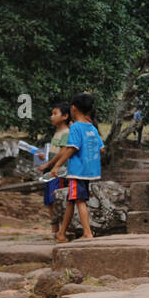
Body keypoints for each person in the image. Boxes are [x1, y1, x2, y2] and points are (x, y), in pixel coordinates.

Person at [51, 92, 103, 242]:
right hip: (89, 171)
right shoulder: (92, 128)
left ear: (73, 109)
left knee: (79, 200)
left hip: (77, 171)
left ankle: (87, 233)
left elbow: (71, 148)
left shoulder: (75, 128)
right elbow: (101, 148)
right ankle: (61, 233)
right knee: (71, 201)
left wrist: (57, 165)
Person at [36, 101, 73, 240]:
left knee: (57, 199)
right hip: (53, 171)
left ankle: (62, 229)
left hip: (60, 172)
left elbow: (62, 153)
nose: (51, 116)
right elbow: (54, 152)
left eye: (55, 113)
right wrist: (45, 158)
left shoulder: (66, 133)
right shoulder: (57, 132)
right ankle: (54, 229)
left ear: (64, 116)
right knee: (50, 200)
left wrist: (48, 165)